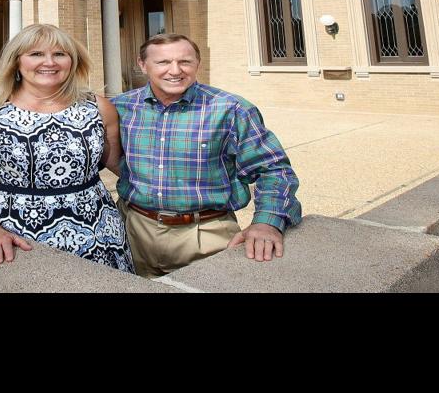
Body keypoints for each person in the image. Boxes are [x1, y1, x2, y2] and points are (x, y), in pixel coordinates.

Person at [0, 23, 135, 272]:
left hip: (99, 234)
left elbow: (118, 164)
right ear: (17, 62)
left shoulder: (98, 107)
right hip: (18, 235)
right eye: (36, 54)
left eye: (60, 54)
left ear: (72, 61)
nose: (50, 62)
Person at [111, 33, 300, 277]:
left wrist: (267, 221)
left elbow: (274, 170)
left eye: (185, 62)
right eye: (163, 62)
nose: (175, 70)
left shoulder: (232, 109)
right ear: (142, 65)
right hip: (135, 230)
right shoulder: (121, 107)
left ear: (197, 63)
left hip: (207, 234)